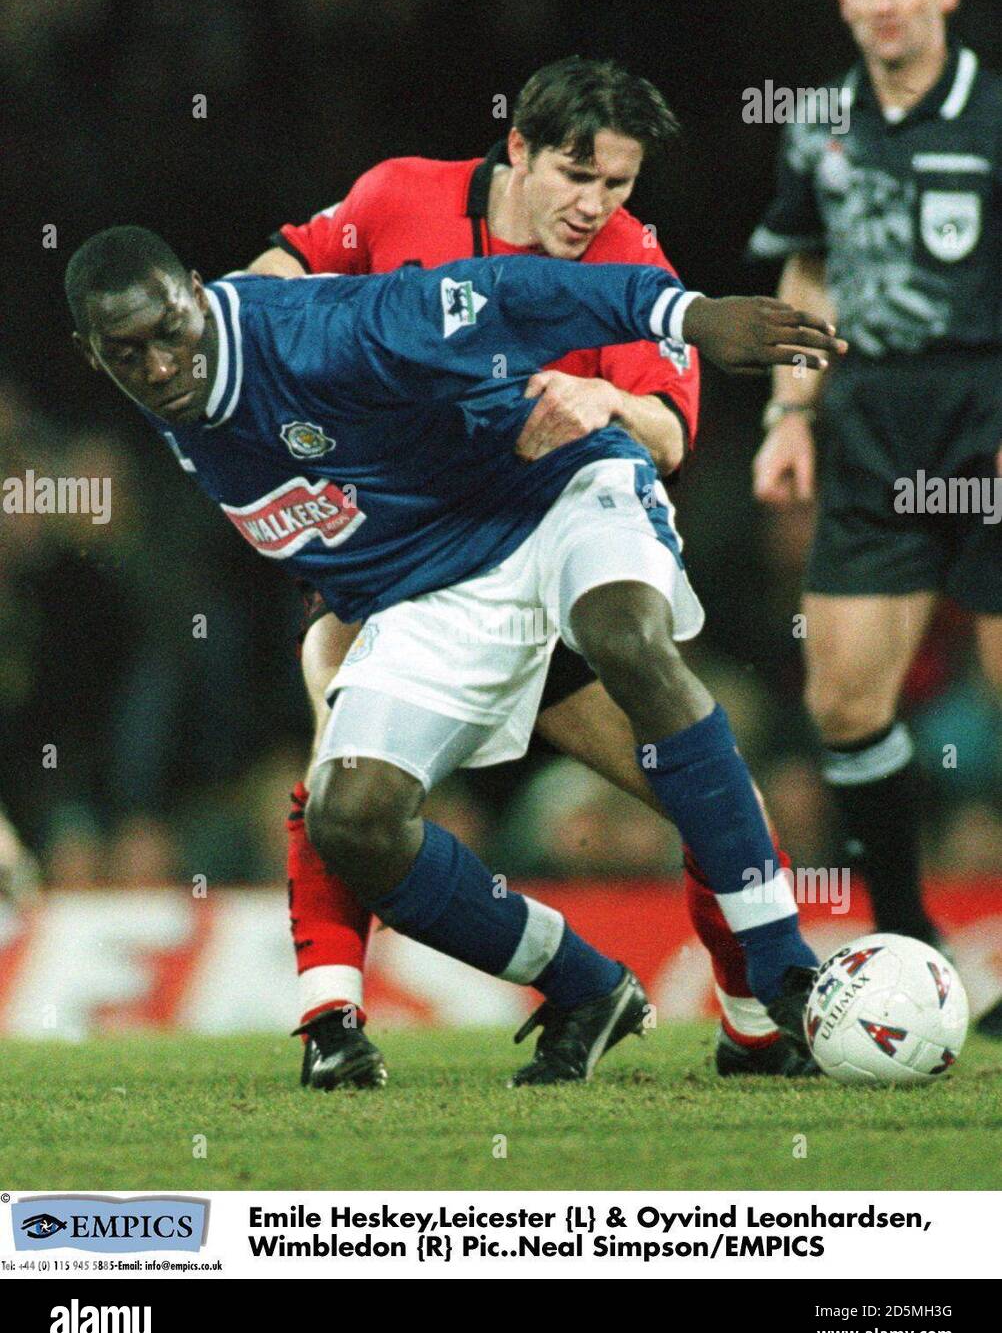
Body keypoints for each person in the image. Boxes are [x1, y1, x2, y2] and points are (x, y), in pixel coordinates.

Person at [65, 226, 844, 1084]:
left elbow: (506, 293)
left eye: (170, 334)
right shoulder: (175, 398)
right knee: (351, 818)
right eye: (128, 354)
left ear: (196, 291)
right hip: (434, 585)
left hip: (550, 490)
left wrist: (689, 315)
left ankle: (784, 971)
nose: (161, 367)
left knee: (625, 634)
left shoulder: (315, 332)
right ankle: (586, 988)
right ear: (90, 355)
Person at [251, 56, 823, 1086]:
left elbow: (671, 432)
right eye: (576, 175)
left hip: (556, 570)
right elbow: (267, 287)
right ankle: (332, 1016)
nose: (594, 205)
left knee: (716, 799)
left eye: (618, 184)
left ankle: (752, 1019)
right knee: (342, 763)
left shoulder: (630, 257)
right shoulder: (398, 197)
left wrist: (612, 403)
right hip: (423, 566)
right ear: (517, 146)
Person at [748, 0, 1002, 1036]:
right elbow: (808, 267)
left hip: (988, 414)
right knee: (846, 705)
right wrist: (788, 411)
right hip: (871, 429)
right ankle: (910, 943)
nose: (884, 1)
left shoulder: (994, 112)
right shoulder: (818, 124)